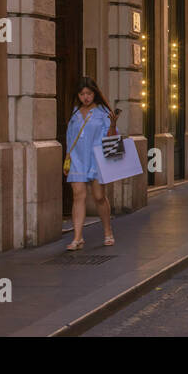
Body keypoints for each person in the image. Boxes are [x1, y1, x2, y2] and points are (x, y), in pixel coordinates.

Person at [64, 77, 116, 250]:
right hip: (77, 159)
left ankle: (108, 232)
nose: (85, 97)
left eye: (89, 93)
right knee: (78, 195)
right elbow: (70, 137)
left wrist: (113, 124)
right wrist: (67, 158)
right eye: (82, 94)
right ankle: (77, 238)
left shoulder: (103, 112)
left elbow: (112, 137)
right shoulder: (75, 113)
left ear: (95, 93)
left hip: (97, 158)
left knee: (99, 197)